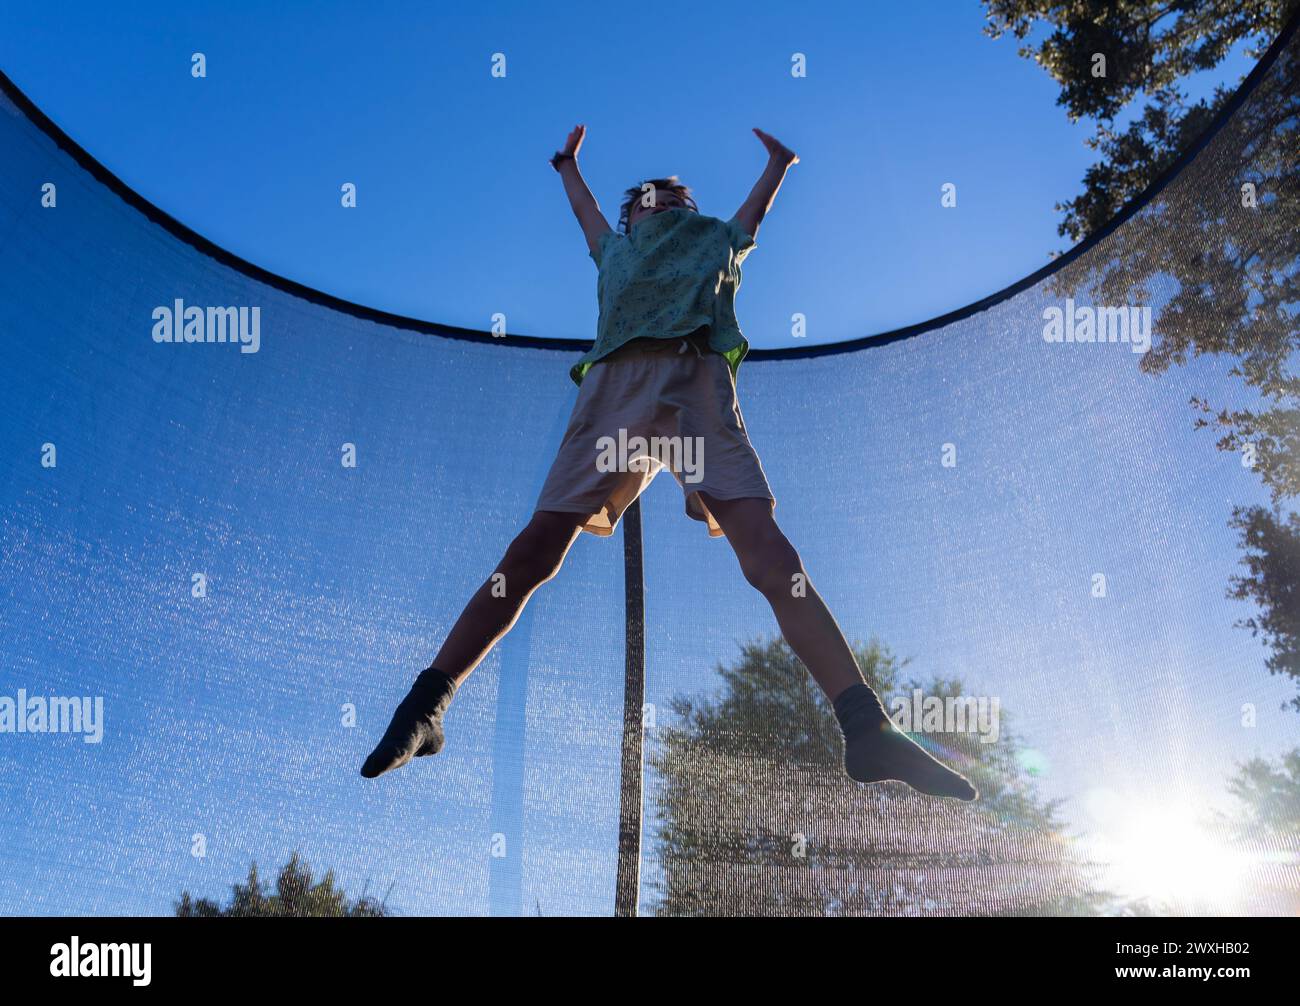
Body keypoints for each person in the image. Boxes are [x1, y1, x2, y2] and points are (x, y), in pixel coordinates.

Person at [362, 124, 977, 801]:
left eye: (675, 194)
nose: (663, 198)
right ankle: (426, 704)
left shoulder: (717, 238)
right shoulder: (614, 251)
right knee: (533, 553)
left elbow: (753, 216)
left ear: (691, 209)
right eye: (649, 197)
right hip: (615, 394)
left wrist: (778, 165)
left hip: (697, 389)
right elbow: (585, 214)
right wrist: (568, 166)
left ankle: (865, 725)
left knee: (774, 560)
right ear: (631, 218)